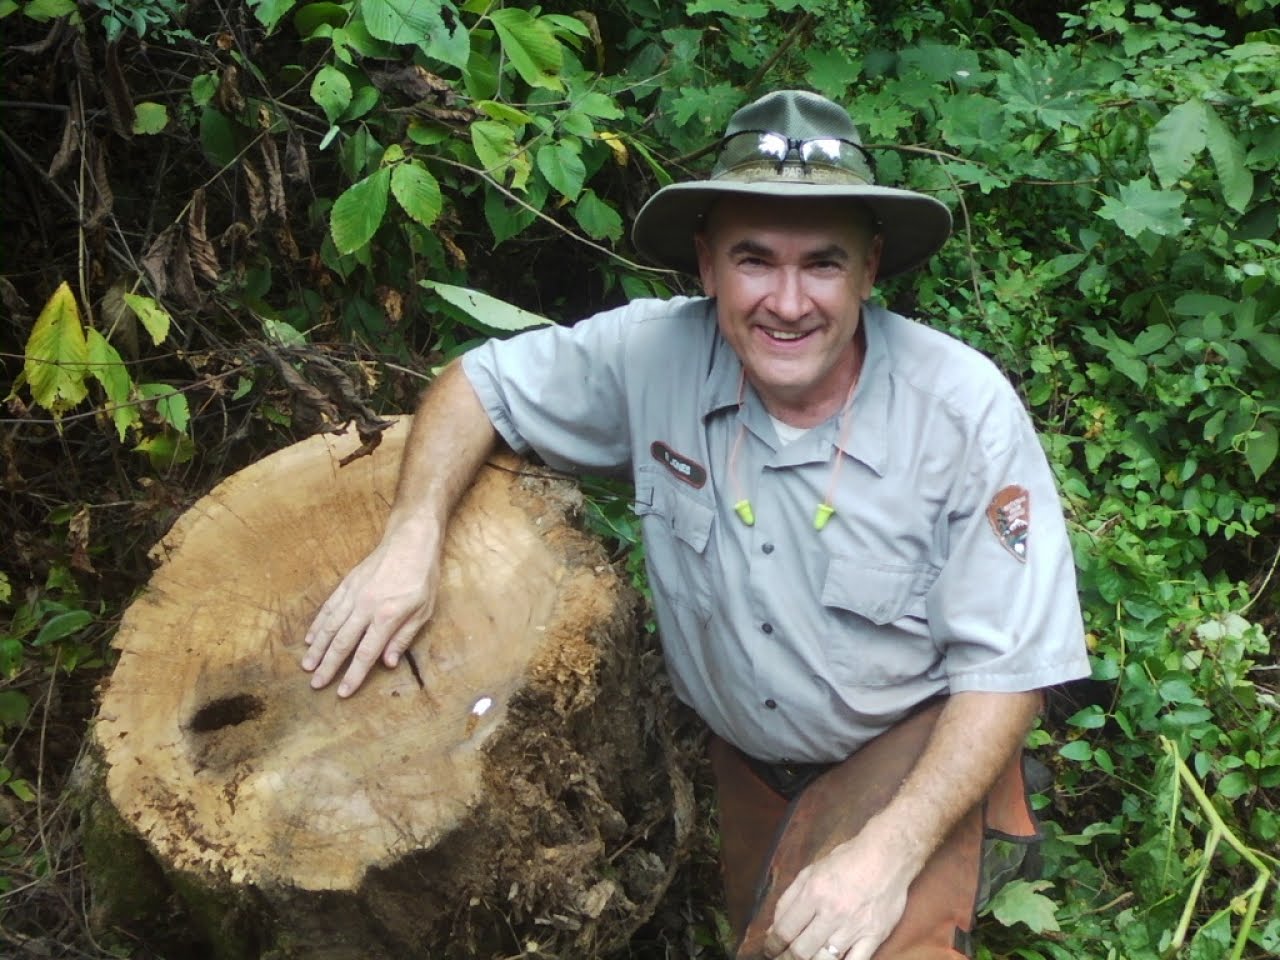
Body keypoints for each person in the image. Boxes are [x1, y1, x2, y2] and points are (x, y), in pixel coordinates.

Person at [301, 90, 1091, 960]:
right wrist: (410, 537)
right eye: (755, 260)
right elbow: (479, 385)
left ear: (870, 271)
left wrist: (888, 852)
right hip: (747, 766)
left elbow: (1008, 669)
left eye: (822, 264)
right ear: (706, 264)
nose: (787, 303)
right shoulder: (654, 355)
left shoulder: (959, 409)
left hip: (909, 746)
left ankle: (968, 836)